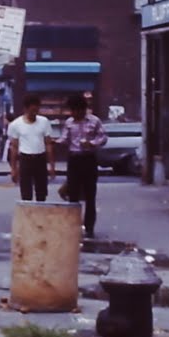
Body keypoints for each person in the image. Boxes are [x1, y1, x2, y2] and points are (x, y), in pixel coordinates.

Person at [58, 93, 108, 238]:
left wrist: (91, 143)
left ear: (83, 109)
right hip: (74, 159)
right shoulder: (69, 122)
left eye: (76, 110)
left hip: (88, 159)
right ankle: (73, 225)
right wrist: (55, 142)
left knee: (90, 194)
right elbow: (64, 138)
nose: (73, 114)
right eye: (71, 111)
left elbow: (103, 137)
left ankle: (89, 227)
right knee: (72, 194)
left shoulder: (94, 121)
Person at [6, 93, 53, 201]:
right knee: (26, 192)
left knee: (41, 192)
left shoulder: (44, 122)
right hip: (25, 159)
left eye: (36, 111)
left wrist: (51, 165)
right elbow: (14, 147)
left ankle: (40, 214)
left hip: (40, 158)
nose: (34, 114)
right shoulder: (16, 124)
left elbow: (48, 144)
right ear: (25, 109)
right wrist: (13, 169)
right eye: (32, 111)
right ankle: (28, 215)